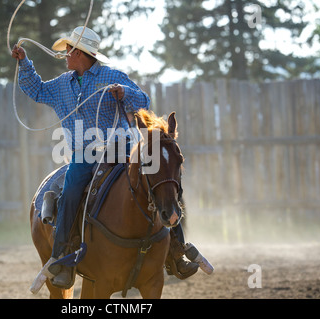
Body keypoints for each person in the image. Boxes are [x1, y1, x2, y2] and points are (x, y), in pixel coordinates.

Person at [11, 26, 197, 288]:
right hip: (84, 154)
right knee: (73, 187)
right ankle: (62, 257)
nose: (65, 55)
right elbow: (36, 90)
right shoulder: (62, 85)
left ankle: (177, 251)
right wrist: (24, 63)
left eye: (69, 50)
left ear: (81, 53)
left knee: (160, 177)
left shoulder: (113, 77)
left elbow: (143, 100)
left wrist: (125, 93)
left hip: (121, 151)